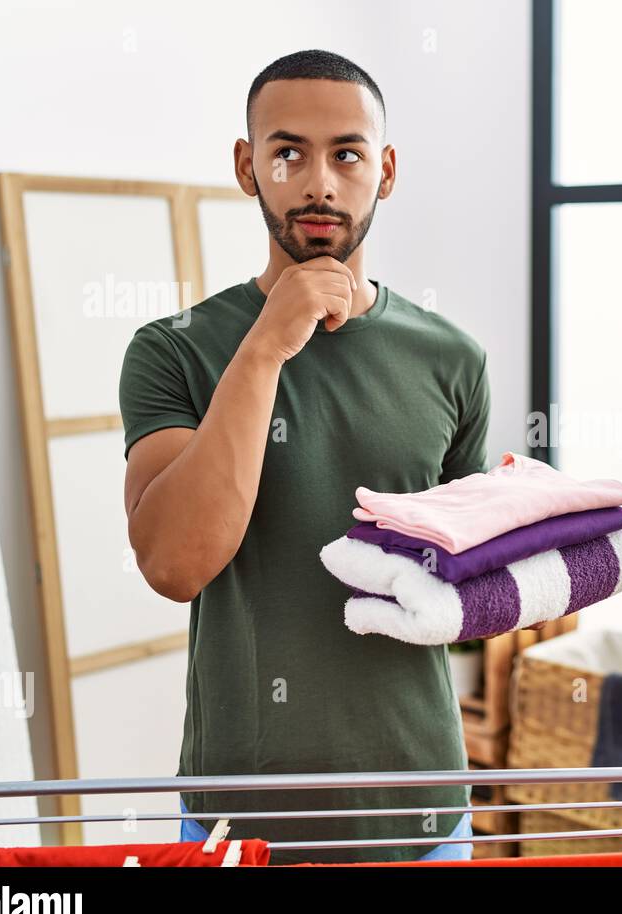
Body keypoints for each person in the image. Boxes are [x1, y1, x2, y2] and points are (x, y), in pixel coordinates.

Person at [120, 49, 486, 864]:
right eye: (288, 153)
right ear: (248, 167)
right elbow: (175, 564)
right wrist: (264, 349)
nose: (319, 182)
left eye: (346, 154)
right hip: (245, 818)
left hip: (425, 811)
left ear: (384, 171)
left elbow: (462, 610)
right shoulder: (172, 352)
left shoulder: (456, 360)